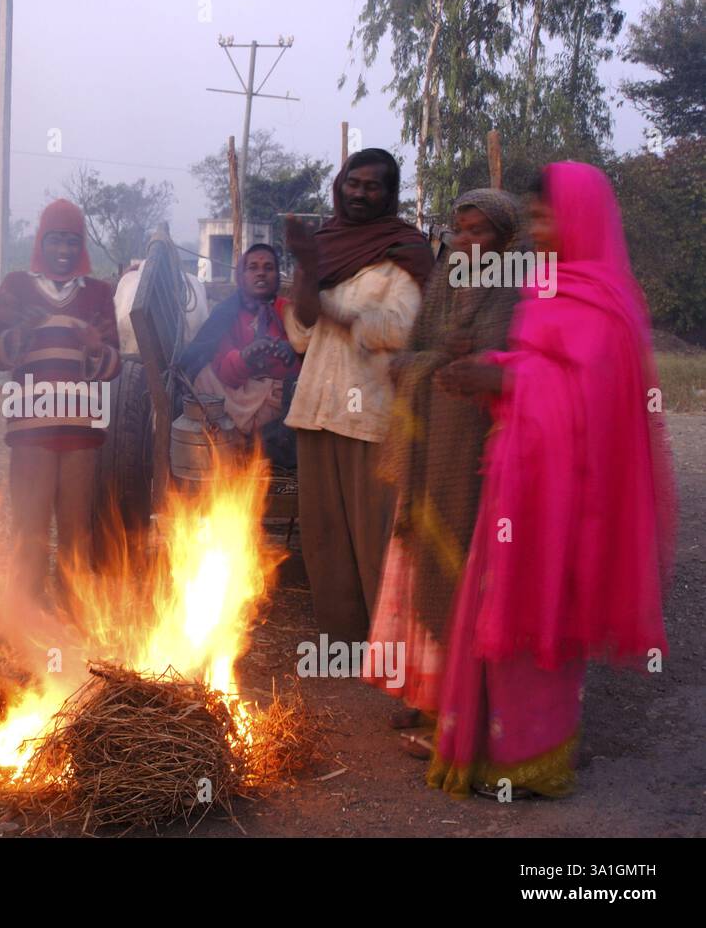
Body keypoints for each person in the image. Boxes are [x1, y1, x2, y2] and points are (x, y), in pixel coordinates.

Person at [425, 162, 675, 799]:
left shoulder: (608, 303)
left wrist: (503, 380)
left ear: (582, 219)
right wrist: (494, 368)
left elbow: (591, 402)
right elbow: (544, 369)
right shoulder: (548, 286)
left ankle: (531, 761)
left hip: (566, 497)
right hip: (517, 478)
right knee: (494, 601)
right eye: (533, 218)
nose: (536, 230)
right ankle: (481, 748)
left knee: (540, 613)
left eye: (544, 216)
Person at [366, 190, 527, 748]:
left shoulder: (516, 288)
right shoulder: (444, 279)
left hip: (476, 447)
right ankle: (419, 690)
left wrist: (467, 359)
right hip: (427, 439)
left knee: (461, 563)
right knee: (417, 559)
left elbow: (512, 365)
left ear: (507, 240)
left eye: (479, 231)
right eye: (460, 230)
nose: (466, 242)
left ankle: (458, 699)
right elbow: (409, 355)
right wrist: (438, 358)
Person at [282, 148, 433, 643]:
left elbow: (406, 329)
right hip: (316, 408)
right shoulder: (323, 246)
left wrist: (336, 312)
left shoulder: (405, 250)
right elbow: (301, 337)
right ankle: (341, 638)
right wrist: (306, 276)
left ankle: (387, 644)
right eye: (353, 182)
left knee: (376, 533)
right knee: (324, 533)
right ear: (340, 184)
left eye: (372, 186)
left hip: (371, 411)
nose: (360, 193)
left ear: (389, 194)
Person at [0, 198, 121, 610]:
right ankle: (26, 614)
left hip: (82, 430)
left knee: (76, 527)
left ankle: (73, 613)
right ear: (40, 243)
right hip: (29, 430)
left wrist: (98, 349)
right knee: (29, 527)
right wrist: (19, 333)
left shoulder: (99, 293)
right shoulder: (16, 286)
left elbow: (113, 365)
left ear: (81, 245)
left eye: (71, 240)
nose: (63, 249)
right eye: (55, 240)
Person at [179, 243, 300, 470]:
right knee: (204, 376)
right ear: (241, 276)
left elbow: (306, 353)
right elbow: (221, 364)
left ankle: (263, 448)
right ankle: (228, 444)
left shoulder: (288, 310)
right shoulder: (226, 312)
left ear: (277, 276)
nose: (261, 273)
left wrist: (291, 351)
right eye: (252, 267)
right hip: (233, 395)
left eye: (268, 267)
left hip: (275, 400)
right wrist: (245, 358)